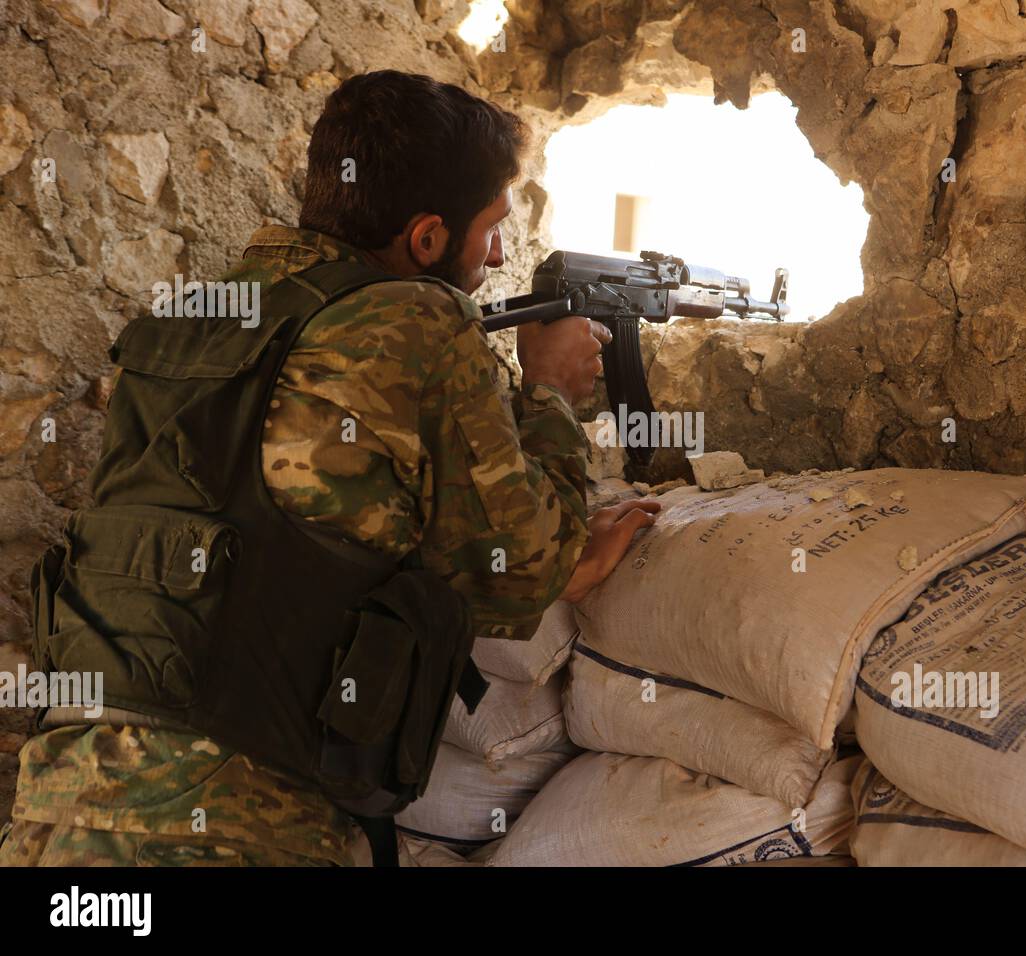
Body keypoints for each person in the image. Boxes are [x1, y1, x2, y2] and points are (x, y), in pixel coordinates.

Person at [0, 70, 659, 867]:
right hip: (234, 827)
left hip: (55, 815)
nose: (495, 252)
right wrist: (550, 394)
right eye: (490, 227)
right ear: (425, 240)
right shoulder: (415, 318)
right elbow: (525, 574)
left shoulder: (187, 321)